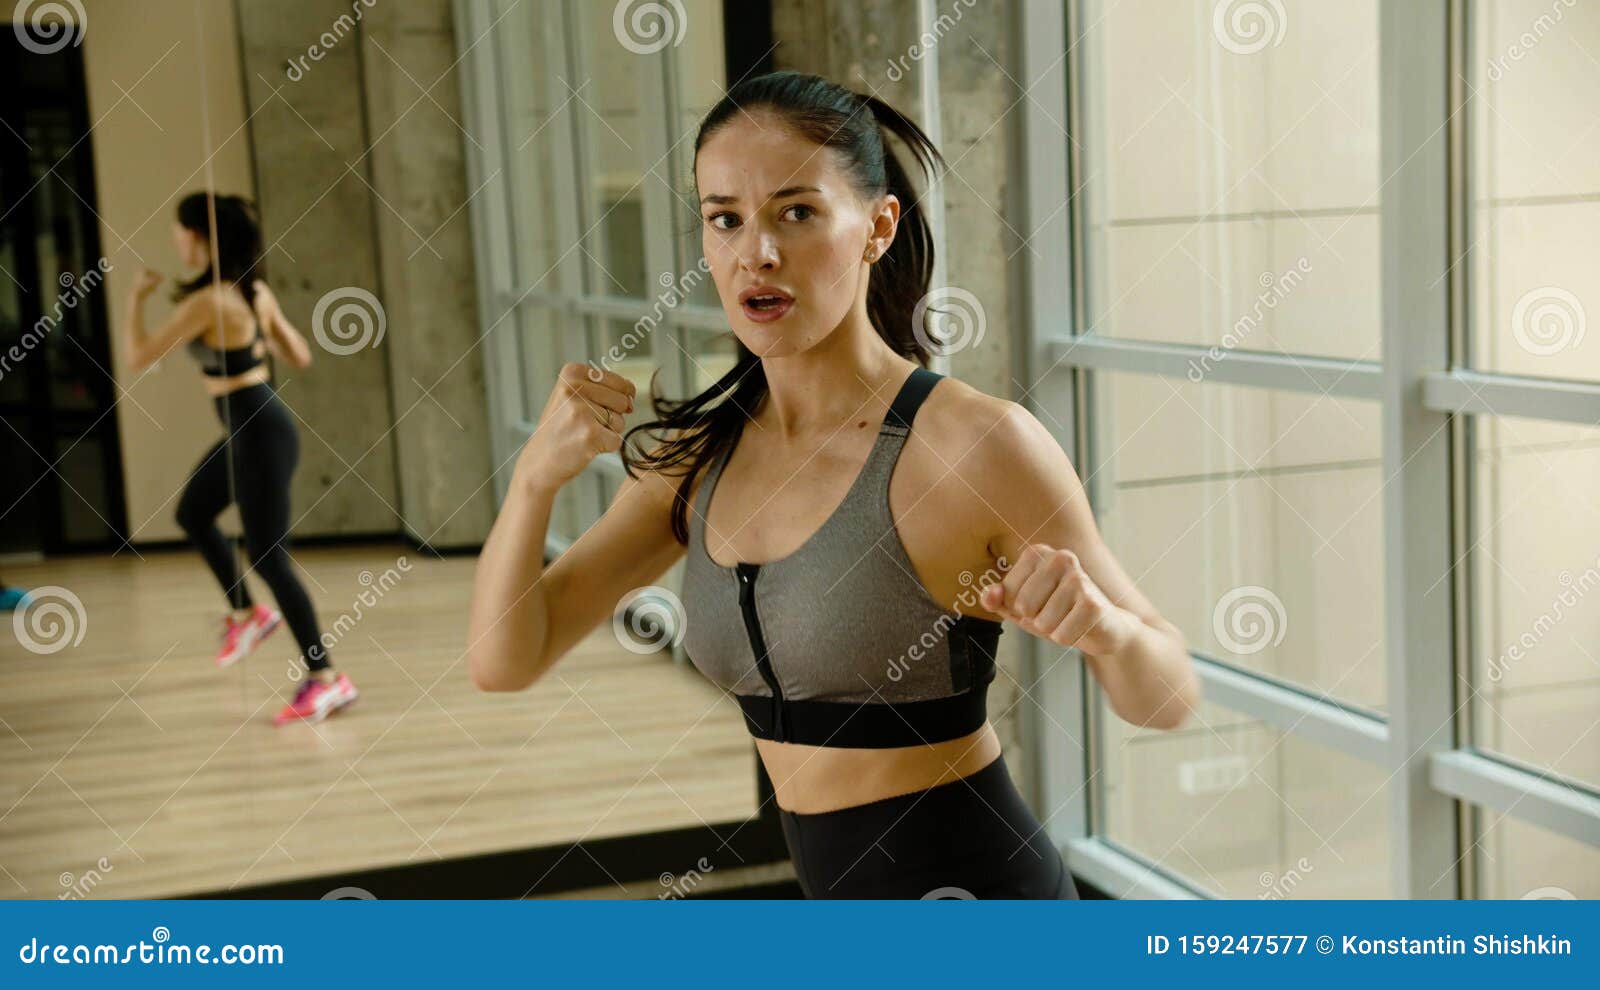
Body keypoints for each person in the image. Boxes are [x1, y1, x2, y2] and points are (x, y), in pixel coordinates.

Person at [467, 71, 1198, 898]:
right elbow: (506, 659)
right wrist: (533, 482)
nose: (758, 252)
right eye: (725, 219)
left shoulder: (971, 444)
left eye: (798, 212)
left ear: (878, 227)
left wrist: (1106, 631)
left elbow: (1167, 696)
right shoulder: (700, 459)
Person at [121, 191, 356, 726]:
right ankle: (247, 614)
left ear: (199, 237)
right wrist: (255, 339)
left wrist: (135, 298)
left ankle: (326, 679)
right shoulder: (251, 293)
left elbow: (137, 357)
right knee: (193, 514)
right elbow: (300, 355)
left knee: (269, 558)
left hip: (259, 434)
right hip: (252, 428)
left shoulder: (208, 303)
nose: (176, 240)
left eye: (180, 231)